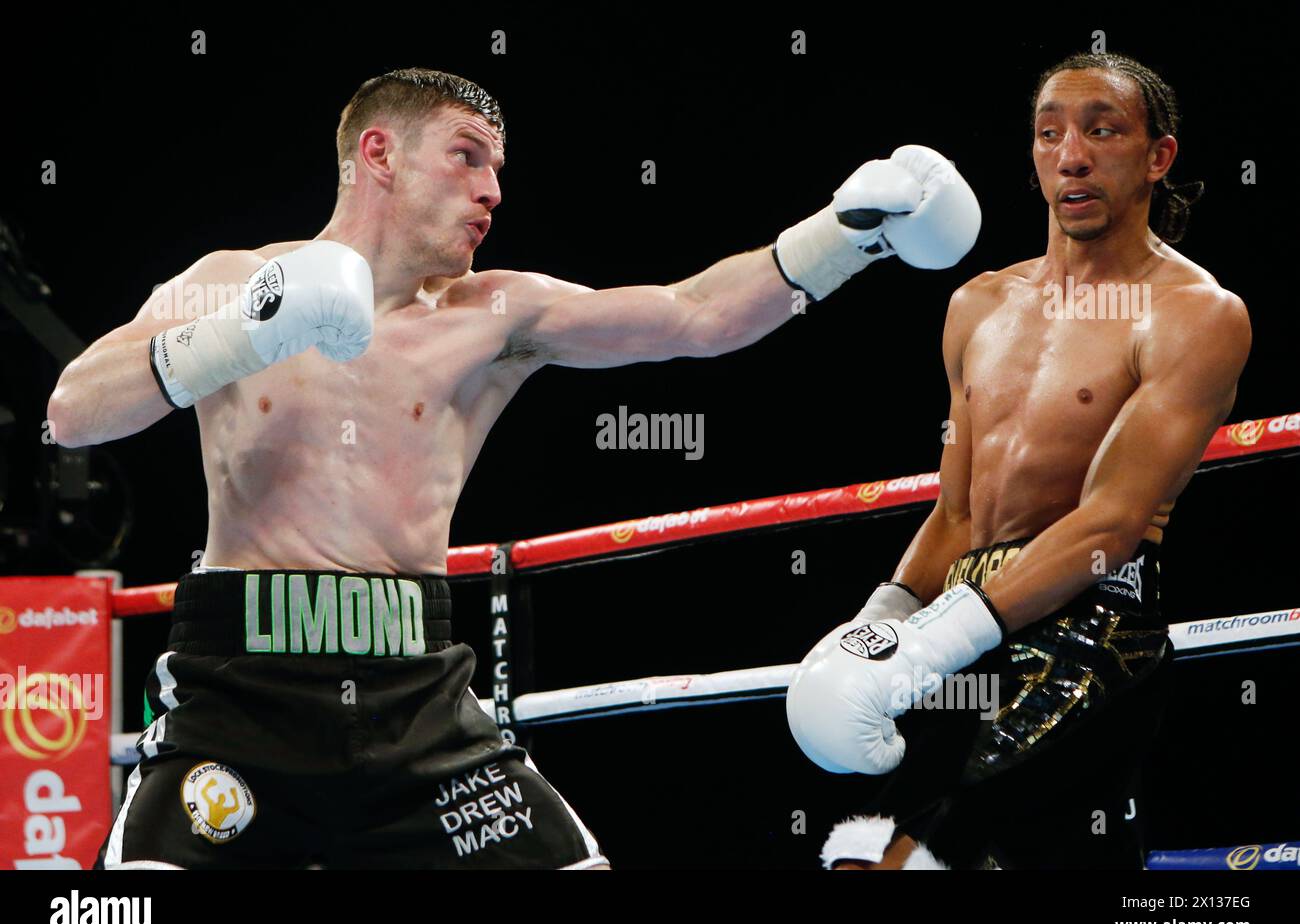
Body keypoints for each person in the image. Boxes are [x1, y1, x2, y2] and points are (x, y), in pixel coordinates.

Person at [46, 67, 980, 868]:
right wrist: (243, 330)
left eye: (499, 167)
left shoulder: (494, 315)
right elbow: (73, 411)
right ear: (379, 154)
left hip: (419, 700)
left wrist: (845, 234)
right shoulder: (231, 279)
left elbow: (692, 318)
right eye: (467, 156)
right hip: (235, 696)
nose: (493, 189)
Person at [786, 52, 1251, 869]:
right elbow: (957, 514)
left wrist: (927, 645)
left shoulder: (1194, 315)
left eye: (1102, 131)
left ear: (1157, 156)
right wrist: (878, 628)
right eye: (1048, 135)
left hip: (1090, 629)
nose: (1071, 154)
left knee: (886, 859)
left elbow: (1110, 521)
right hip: (968, 633)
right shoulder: (978, 307)